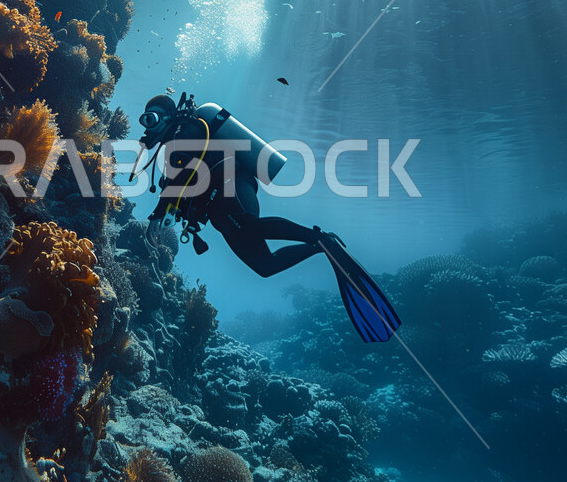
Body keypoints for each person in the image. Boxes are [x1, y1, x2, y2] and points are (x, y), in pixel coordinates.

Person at [130, 93, 402, 343]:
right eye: (145, 119)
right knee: (265, 265)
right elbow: (180, 184)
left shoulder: (187, 131)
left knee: (249, 225)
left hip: (230, 183)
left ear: (168, 117)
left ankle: (318, 237)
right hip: (219, 207)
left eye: (151, 118)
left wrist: (157, 215)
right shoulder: (174, 146)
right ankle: (320, 246)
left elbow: (180, 179)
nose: (147, 126)